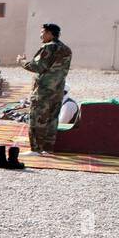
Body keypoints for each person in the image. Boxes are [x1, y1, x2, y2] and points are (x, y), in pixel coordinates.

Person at [18, 23, 72, 155]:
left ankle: (36, 149)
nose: (40, 35)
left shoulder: (48, 47)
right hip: (57, 90)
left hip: (43, 90)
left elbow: (37, 66)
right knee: (52, 120)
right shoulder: (66, 49)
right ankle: (48, 148)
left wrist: (21, 61)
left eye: (42, 32)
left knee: (37, 118)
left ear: (49, 33)